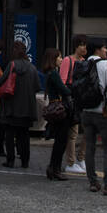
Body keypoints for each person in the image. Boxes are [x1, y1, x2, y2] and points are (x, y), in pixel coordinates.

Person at [79, 40, 107, 195]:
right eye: (104, 47)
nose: (106, 50)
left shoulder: (83, 64)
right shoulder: (106, 65)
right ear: (98, 50)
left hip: (86, 111)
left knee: (89, 147)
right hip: (103, 112)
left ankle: (92, 182)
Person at [0, 41, 38, 168]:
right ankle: (25, 161)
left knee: (10, 134)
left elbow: (1, 81)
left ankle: (10, 160)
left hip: (12, 106)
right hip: (27, 107)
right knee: (24, 135)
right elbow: (37, 87)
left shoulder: (12, 65)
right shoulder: (32, 67)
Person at [59, 36, 90, 174]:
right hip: (72, 100)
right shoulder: (68, 60)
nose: (84, 48)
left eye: (85, 45)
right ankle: (71, 162)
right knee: (73, 133)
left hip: (83, 100)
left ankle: (81, 158)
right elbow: (63, 81)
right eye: (82, 45)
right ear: (76, 46)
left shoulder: (86, 62)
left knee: (88, 130)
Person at [40, 47, 71, 180]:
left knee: (59, 140)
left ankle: (53, 168)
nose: (61, 59)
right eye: (58, 57)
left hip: (54, 107)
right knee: (61, 140)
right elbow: (64, 90)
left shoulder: (49, 73)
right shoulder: (54, 74)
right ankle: (55, 168)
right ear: (53, 59)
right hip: (59, 109)